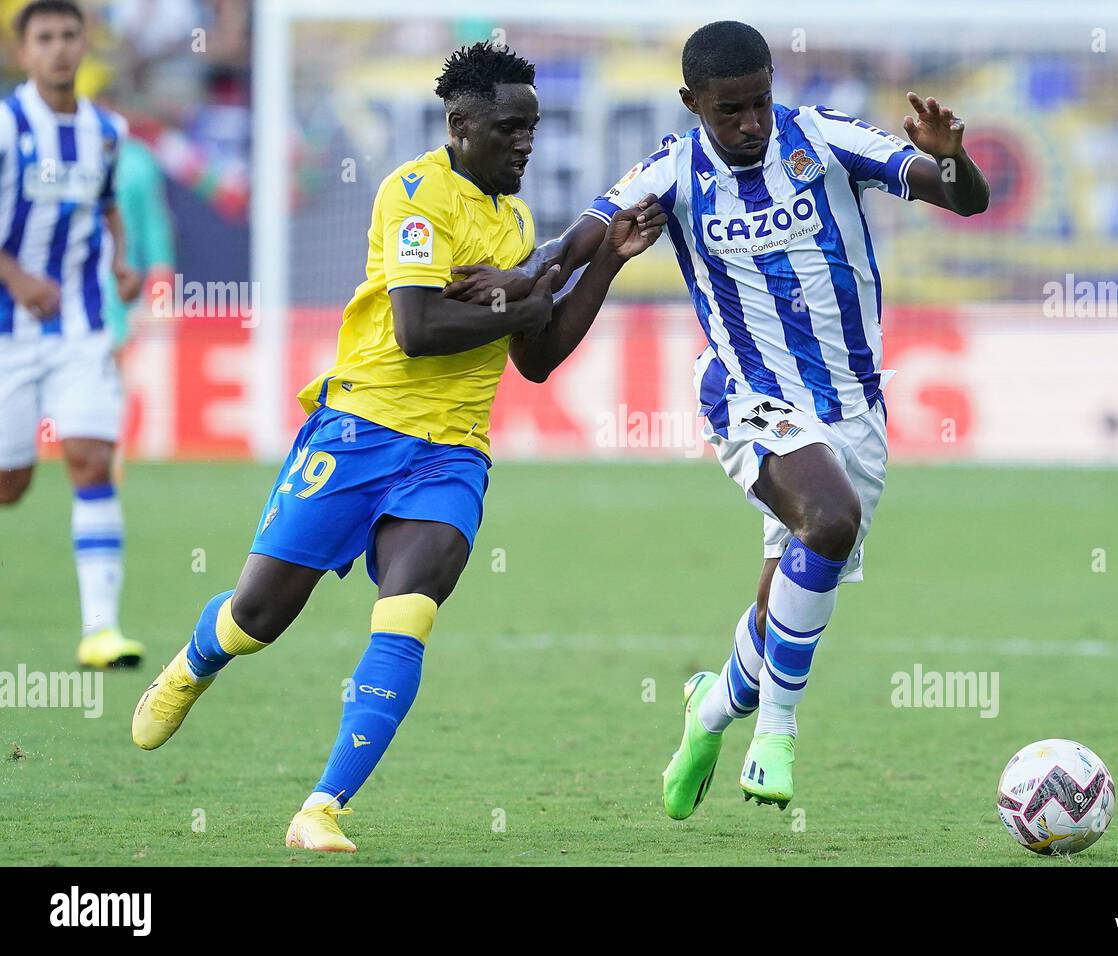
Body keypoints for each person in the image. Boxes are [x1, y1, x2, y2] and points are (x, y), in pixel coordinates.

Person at [128, 41, 666, 853]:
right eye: (511, 128)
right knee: (260, 615)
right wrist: (516, 300)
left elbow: (539, 356)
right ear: (461, 123)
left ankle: (322, 807)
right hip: (359, 430)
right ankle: (198, 659)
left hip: (450, 452)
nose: (527, 143)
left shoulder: (516, 221)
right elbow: (417, 332)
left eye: (534, 128)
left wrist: (604, 267)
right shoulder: (415, 195)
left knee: (409, 613)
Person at [443, 20, 989, 817]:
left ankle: (708, 711)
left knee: (789, 599)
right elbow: (580, 238)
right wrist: (521, 275)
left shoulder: (823, 139)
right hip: (746, 394)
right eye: (729, 110)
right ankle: (777, 732)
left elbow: (962, 200)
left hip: (851, 409)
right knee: (829, 521)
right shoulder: (672, 169)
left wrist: (952, 156)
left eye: (760, 103)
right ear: (691, 102)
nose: (750, 124)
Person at [0, 0, 143, 668]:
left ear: (85, 45)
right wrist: (18, 280)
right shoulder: (5, 125)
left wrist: (120, 260)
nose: (58, 49)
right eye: (44, 39)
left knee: (89, 457)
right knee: (12, 482)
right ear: (21, 52)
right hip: (9, 332)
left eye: (67, 37)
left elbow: (110, 206)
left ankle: (100, 631)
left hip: (81, 326)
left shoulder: (107, 131)